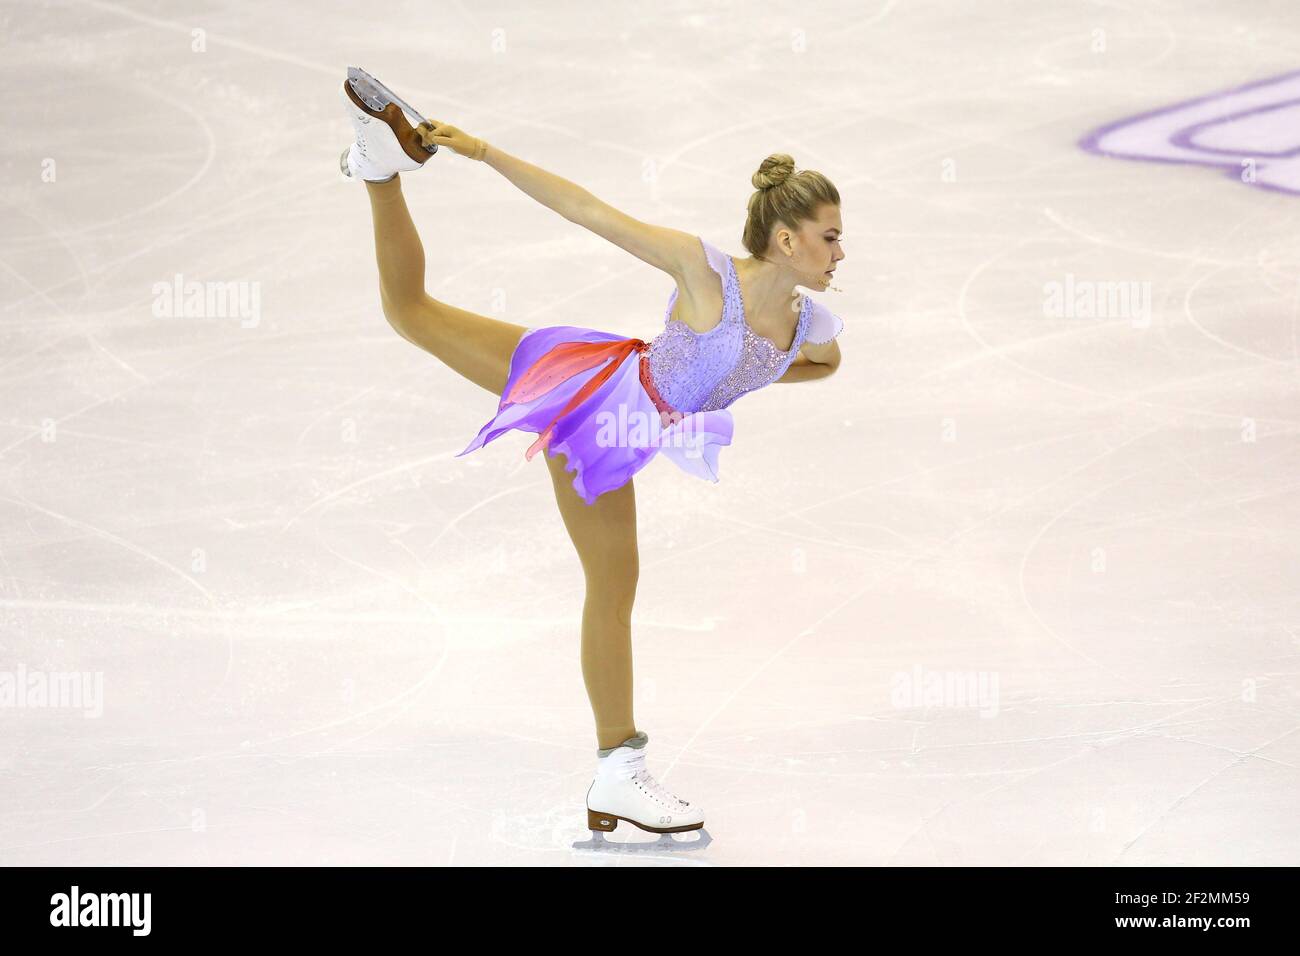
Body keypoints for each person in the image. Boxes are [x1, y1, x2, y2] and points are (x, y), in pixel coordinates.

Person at [339, 68, 844, 852]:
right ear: (787, 239)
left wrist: (763, 369)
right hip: (598, 410)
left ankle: (375, 165)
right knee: (612, 584)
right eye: (830, 236)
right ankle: (618, 769)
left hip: (627, 400)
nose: (840, 250)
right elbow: (586, 211)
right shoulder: (703, 272)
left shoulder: (807, 319)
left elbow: (821, 363)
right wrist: (482, 152)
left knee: (414, 316)